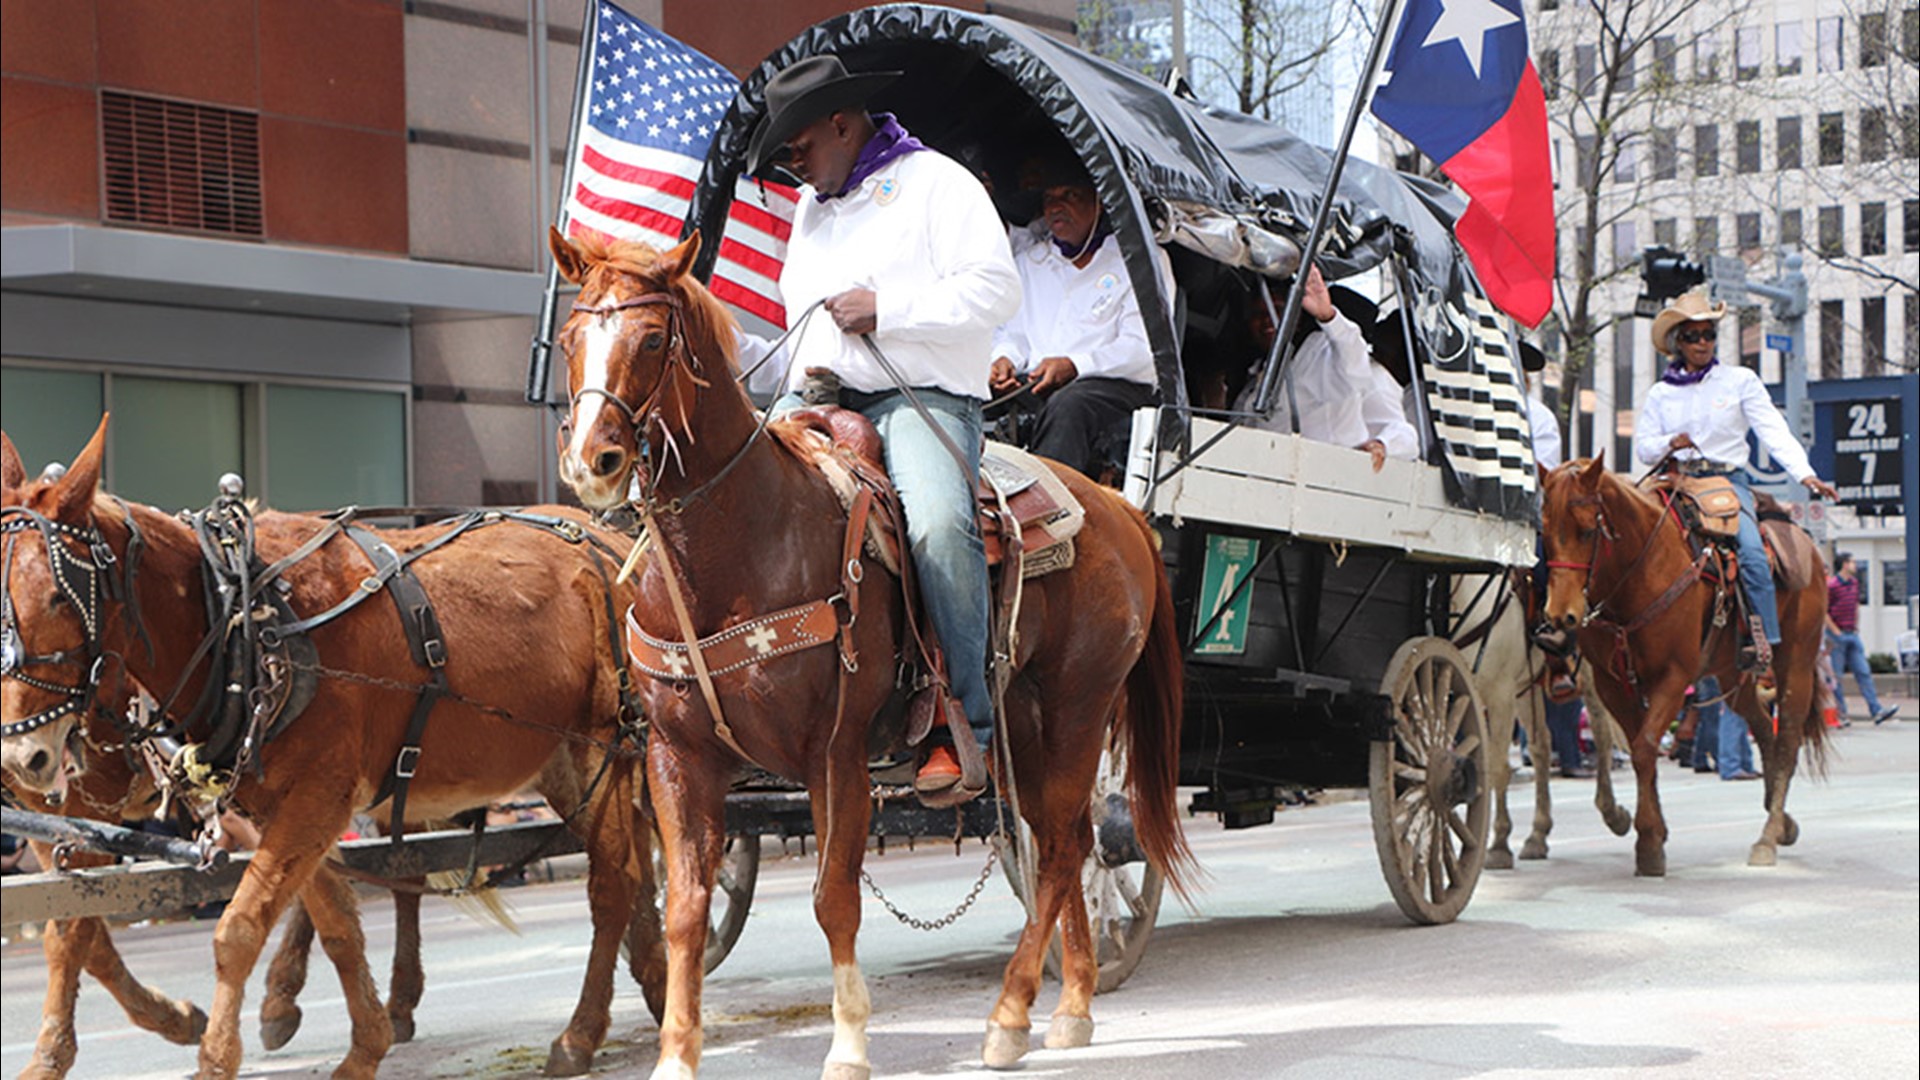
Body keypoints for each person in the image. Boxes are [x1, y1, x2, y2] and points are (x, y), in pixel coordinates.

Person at [740, 55, 1020, 803]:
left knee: (932, 522)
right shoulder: (811, 210)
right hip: (817, 396)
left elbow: (998, 291)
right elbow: (801, 326)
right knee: (730, 497)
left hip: (918, 399)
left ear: (841, 122)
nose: (794, 169)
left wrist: (886, 308)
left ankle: (963, 723)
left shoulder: (938, 183)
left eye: (797, 150)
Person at [1633, 290, 1841, 675]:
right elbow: (1644, 448)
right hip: (1675, 480)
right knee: (1628, 538)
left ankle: (1763, 641)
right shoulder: (1660, 394)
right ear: (1678, 342)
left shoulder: (1740, 380)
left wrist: (1805, 473)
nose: (1702, 343)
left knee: (1750, 550)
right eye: (1693, 336)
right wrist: (1669, 442)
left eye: (1708, 334)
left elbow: (1772, 430)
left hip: (1726, 483)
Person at [988, 157, 1161, 477]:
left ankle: (1050, 514)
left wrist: (1075, 365)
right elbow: (1014, 334)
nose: (1057, 206)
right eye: (1050, 198)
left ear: (1100, 203)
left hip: (1113, 387)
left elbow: (1143, 352)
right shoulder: (1030, 261)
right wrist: (1003, 359)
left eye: (1071, 195)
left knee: (1071, 404)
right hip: (1036, 385)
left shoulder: (1138, 261)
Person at [1235, 266, 1418, 471]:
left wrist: (1329, 318)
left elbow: (1354, 370)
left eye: (1277, 310)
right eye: (1257, 313)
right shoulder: (1267, 370)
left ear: (1297, 318)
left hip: (1322, 481)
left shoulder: (1326, 355)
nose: (1267, 319)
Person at [1827, 552, 1898, 724]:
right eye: (1852, 562)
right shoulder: (1832, 585)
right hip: (1838, 635)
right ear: (1844, 564)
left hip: (1852, 633)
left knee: (1864, 672)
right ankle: (1841, 714)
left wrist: (1855, 625)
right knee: (1836, 676)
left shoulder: (1854, 583)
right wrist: (1835, 631)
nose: (1855, 565)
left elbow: (1855, 605)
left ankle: (1876, 710)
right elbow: (1823, 611)